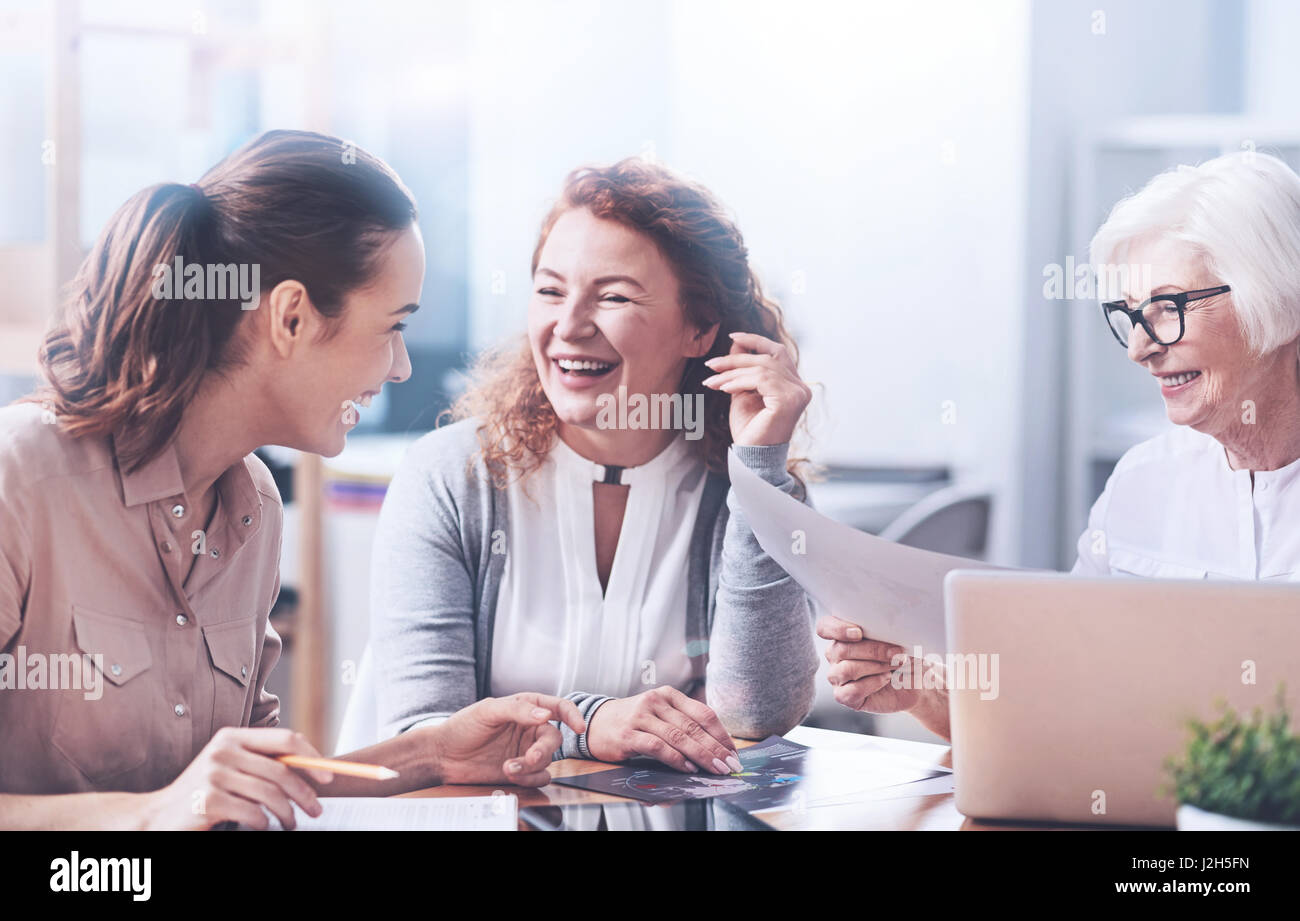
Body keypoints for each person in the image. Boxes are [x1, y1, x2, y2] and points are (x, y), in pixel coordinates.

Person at [0, 130, 584, 831]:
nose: (400, 366)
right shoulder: (21, 478)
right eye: (391, 327)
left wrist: (430, 755)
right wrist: (153, 813)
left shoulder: (253, 506)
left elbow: (256, 790)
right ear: (292, 317)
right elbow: (181, 805)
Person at [818, 151, 1300, 741]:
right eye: (1130, 316)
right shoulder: (1141, 483)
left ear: (1276, 297)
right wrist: (924, 690)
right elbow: (1064, 709)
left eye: (1168, 308)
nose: (1140, 349)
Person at [371, 158, 819, 774]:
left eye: (613, 297)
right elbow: (424, 733)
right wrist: (591, 725)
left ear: (698, 329)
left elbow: (758, 715)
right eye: (550, 291)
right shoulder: (452, 477)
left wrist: (758, 471)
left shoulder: (744, 488)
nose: (569, 325)